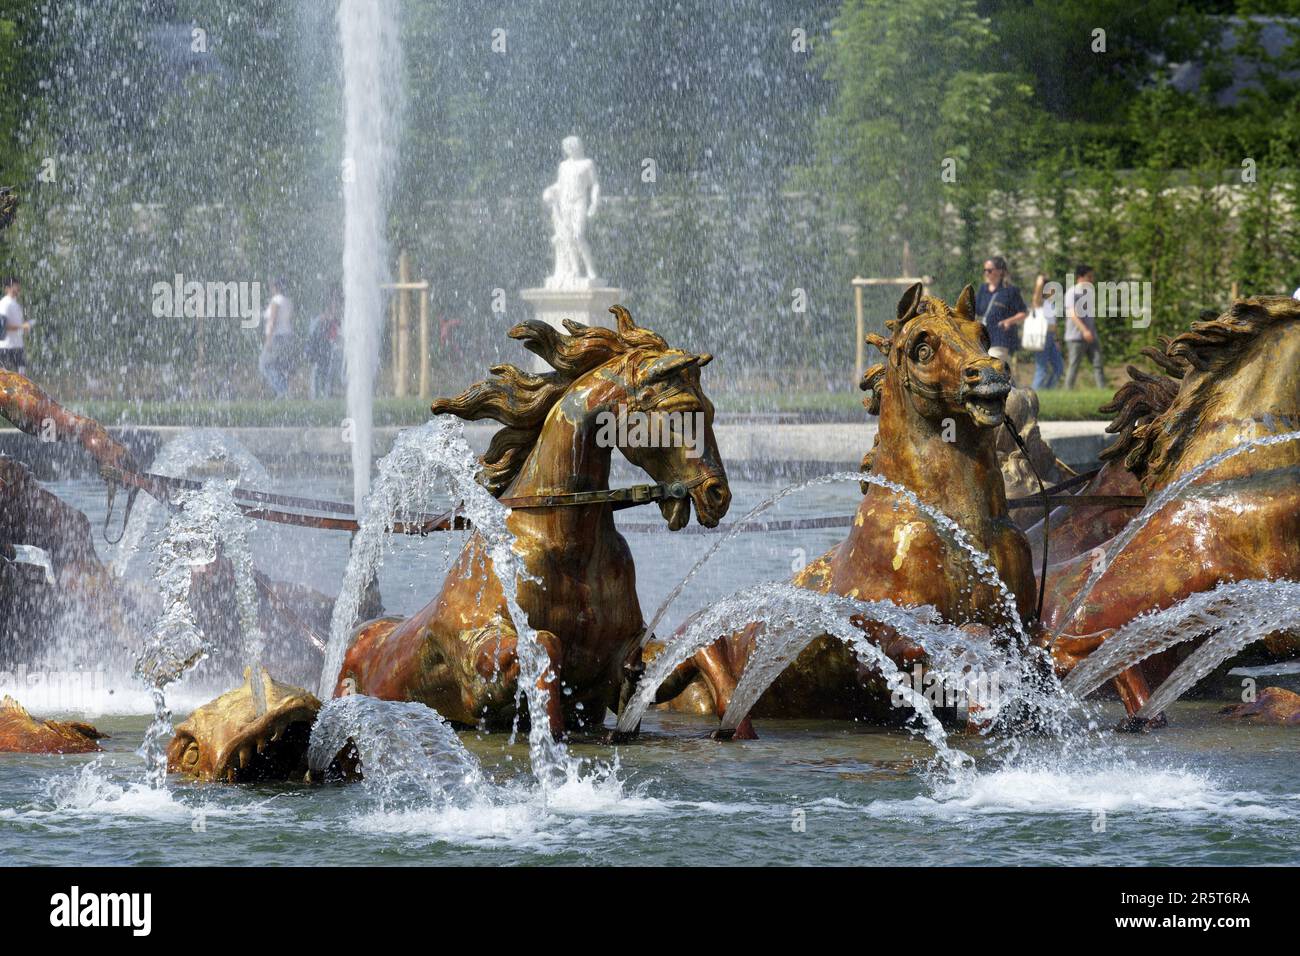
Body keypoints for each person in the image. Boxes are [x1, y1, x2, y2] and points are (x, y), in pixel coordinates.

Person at [974, 256, 1027, 373]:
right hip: (982, 337)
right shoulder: (983, 289)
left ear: (1000, 271)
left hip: (1001, 337)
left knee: (992, 368)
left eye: (989, 270)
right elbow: (975, 310)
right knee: (995, 371)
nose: (986, 273)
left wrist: (1008, 321)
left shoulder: (1010, 291)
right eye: (985, 270)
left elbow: (1023, 313)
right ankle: (1013, 387)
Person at [1064, 264, 1105, 390]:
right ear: (1080, 277)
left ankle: (1102, 390)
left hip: (1091, 335)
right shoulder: (1072, 292)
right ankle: (1067, 392)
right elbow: (1072, 314)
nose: (1092, 279)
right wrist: (1085, 330)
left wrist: (1090, 331)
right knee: (1074, 366)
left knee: (1098, 363)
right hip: (1076, 336)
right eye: (1089, 276)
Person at [258, 277, 296, 398]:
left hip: (277, 338)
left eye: (272, 286)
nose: (271, 289)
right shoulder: (288, 301)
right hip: (288, 336)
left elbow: (272, 320)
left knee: (264, 365)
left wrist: (268, 339)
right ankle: (284, 392)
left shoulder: (276, 300)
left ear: (276, 287)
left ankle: (282, 390)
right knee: (278, 366)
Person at [1027, 273, 1064, 390]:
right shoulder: (1039, 302)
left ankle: (1048, 391)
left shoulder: (1051, 303)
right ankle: (1034, 394)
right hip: (1042, 337)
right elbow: (1036, 297)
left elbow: (1054, 323)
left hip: (1051, 338)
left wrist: (1057, 339)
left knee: (1059, 367)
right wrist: (1039, 282)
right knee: (1042, 369)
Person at [306, 284, 341, 399]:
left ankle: (323, 396)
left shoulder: (334, 304)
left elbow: (334, 321)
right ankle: (317, 396)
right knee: (319, 371)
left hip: (328, 343)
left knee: (326, 372)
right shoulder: (326, 305)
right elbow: (322, 320)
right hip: (323, 343)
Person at [0, 277, 32, 375]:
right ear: (8, 288)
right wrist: (22, 327)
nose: (18, 287)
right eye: (15, 285)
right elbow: (2, 325)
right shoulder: (5, 303)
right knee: (6, 379)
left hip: (18, 346)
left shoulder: (15, 303)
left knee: (21, 376)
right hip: (6, 348)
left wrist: (24, 328)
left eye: (18, 285)